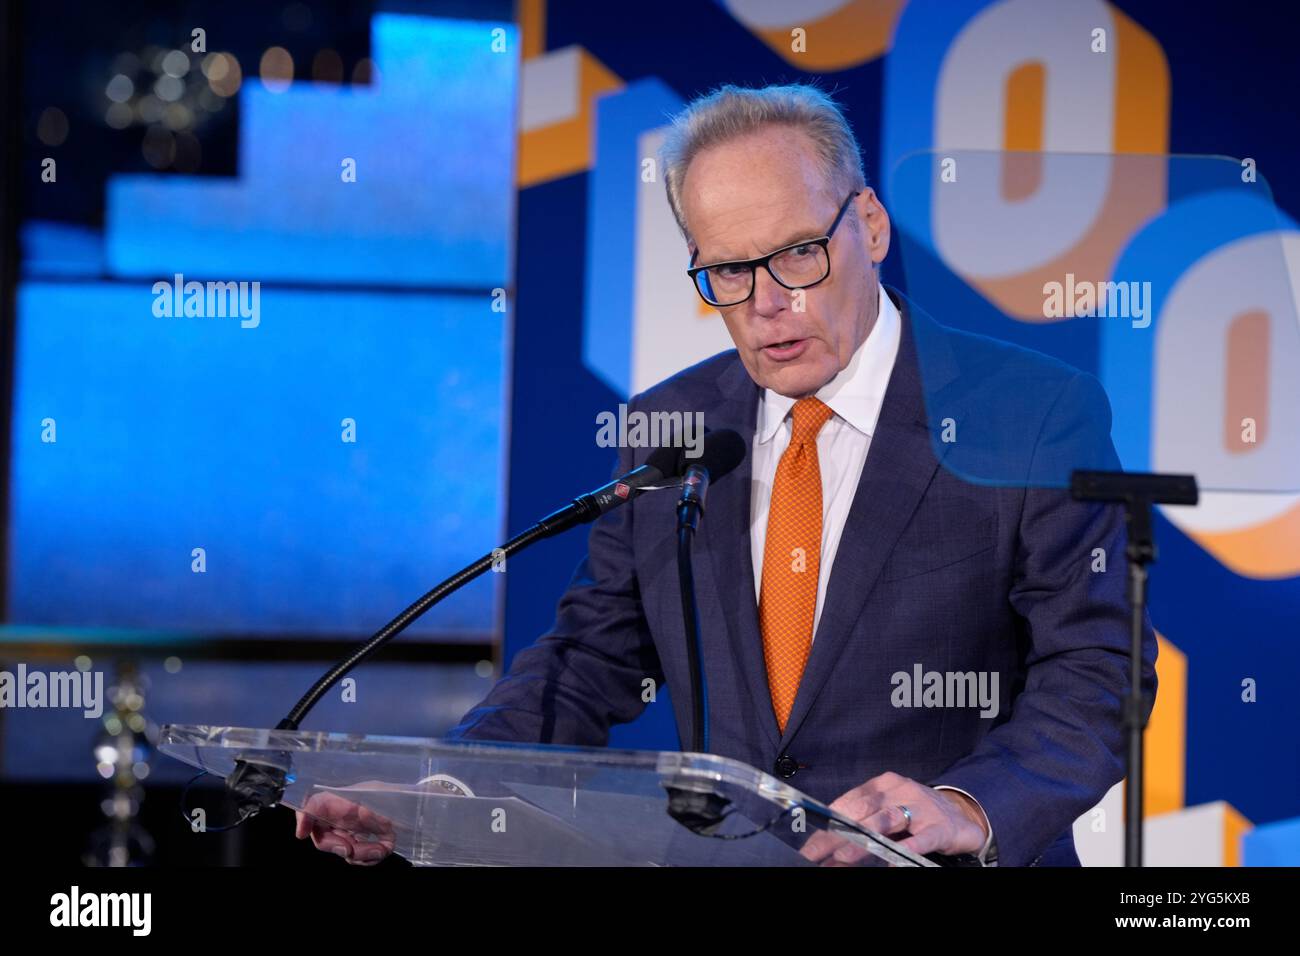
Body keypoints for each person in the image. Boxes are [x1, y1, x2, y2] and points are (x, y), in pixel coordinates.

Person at [297, 82, 1157, 867]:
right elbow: (592, 655)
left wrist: (971, 804)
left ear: (871, 225)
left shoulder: (1031, 413)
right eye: (728, 272)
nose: (765, 304)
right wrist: (444, 789)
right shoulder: (670, 428)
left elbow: (1100, 666)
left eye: (796, 255)